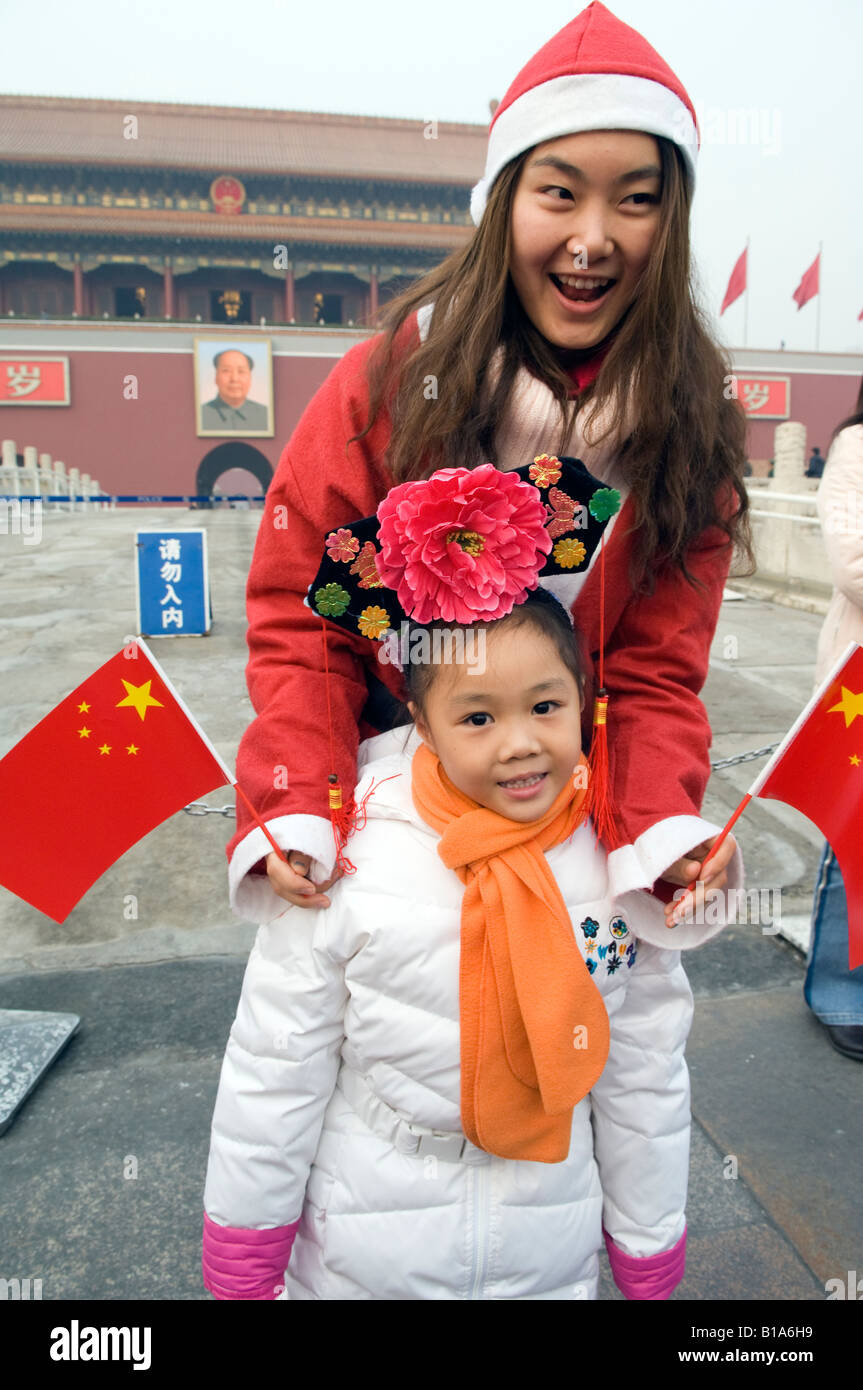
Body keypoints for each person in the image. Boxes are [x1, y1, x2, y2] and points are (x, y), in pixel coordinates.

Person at [226, 2, 752, 947]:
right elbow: (310, 623)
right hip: (391, 820)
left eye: (636, 199)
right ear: (502, 200)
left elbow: (652, 671)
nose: (593, 238)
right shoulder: (391, 385)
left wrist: (654, 829)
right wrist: (299, 801)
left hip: (573, 820)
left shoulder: (688, 428)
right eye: (558, 193)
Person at [202, 464, 744, 1298]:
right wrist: (245, 1253)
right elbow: (277, 1063)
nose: (519, 743)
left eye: (545, 707)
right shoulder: (349, 856)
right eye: (478, 717)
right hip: (365, 1246)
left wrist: (646, 1246)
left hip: (548, 1245)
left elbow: (642, 1075)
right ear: (421, 722)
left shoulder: (612, 864)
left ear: (584, 701)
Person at [806, 376, 863, 1060]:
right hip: (857, 686)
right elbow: (852, 561)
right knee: (852, 843)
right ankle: (839, 991)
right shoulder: (854, 448)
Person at [200, 348, 269, 431]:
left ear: (250, 378)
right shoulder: (201, 415)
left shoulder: (265, 415)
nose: (234, 379)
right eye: (226, 371)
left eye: (241, 371)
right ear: (216, 377)